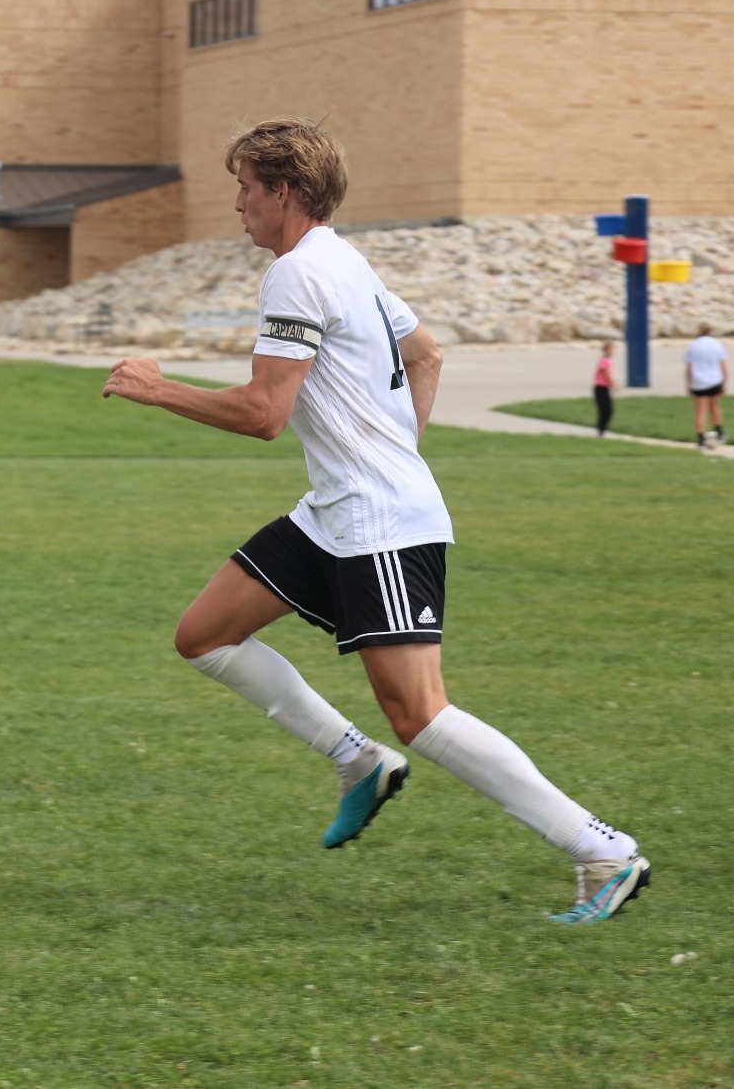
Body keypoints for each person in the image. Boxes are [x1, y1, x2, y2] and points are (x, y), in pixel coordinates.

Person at [102, 116, 650, 924]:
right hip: (338, 510)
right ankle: (356, 760)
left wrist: (158, 387)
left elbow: (264, 414)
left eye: (246, 188)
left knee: (420, 712)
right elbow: (426, 352)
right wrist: (392, 451)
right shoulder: (343, 260)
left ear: (283, 192)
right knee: (206, 632)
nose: (238, 204)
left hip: (378, 521)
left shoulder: (297, 273)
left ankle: (602, 848)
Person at [684, 322, 728, 450]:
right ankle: (719, 431)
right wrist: (725, 382)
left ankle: (701, 439)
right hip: (715, 379)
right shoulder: (716, 344)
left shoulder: (693, 345)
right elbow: (723, 365)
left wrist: (688, 384)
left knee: (700, 411)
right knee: (715, 406)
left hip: (699, 382)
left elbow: (689, 368)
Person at [593, 340, 616, 436]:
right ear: (605, 350)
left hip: (605, 388)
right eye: (610, 350)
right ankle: (601, 430)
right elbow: (607, 374)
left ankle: (602, 428)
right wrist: (614, 384)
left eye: (613, 350)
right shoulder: (604, 361)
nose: (612, 352)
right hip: (600, 388)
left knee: (608, 410)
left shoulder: (608, 361)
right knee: (604, 410)